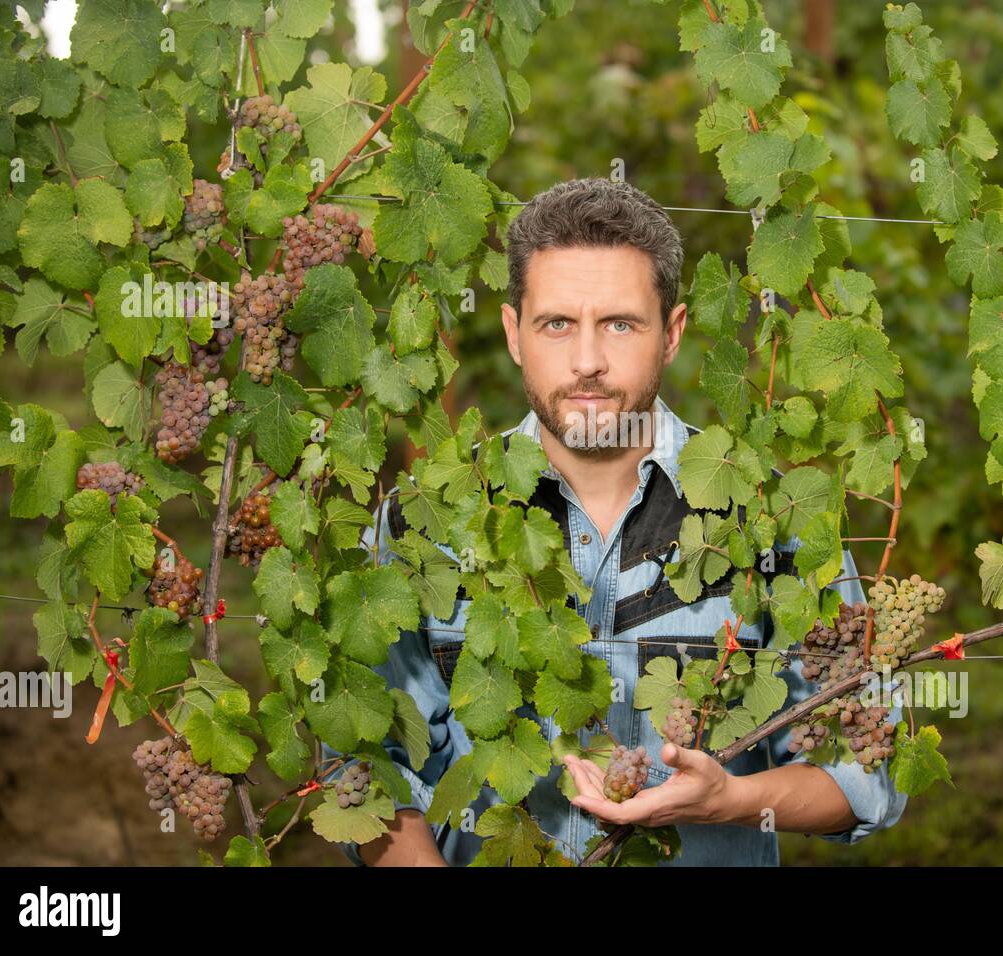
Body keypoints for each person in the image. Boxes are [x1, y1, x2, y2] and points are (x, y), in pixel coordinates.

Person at [327, 177, 908, 866]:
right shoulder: (423, 522)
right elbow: (363, 768)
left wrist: (727, 800)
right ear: (515, 334)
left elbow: (870, 776)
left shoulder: (773, 517)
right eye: (557, 324)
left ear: (673, 334)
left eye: (621, 324)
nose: (587, 362)